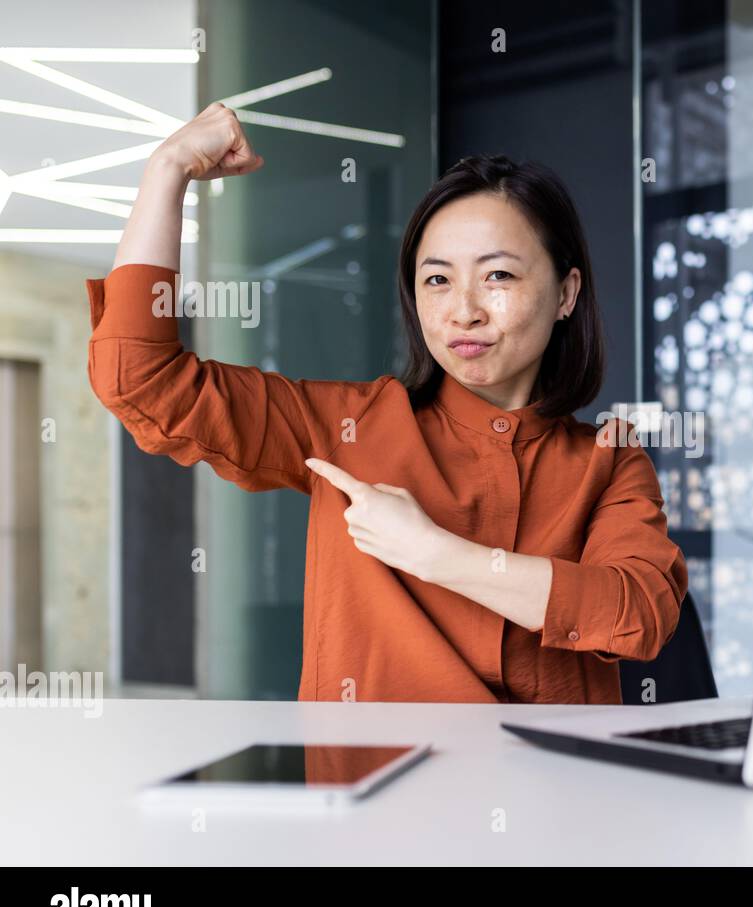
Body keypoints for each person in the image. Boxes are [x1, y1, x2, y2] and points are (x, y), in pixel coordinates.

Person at [86, 102, 687, 704]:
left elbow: (639, 612)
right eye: (437, 279)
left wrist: (436, 554)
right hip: (374, 793)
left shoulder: (609, 460)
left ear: (565, 294)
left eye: (498, 276)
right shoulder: (343, 427)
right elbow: (141, 380)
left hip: (558, 793)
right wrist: (167, 170)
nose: (464, 309)